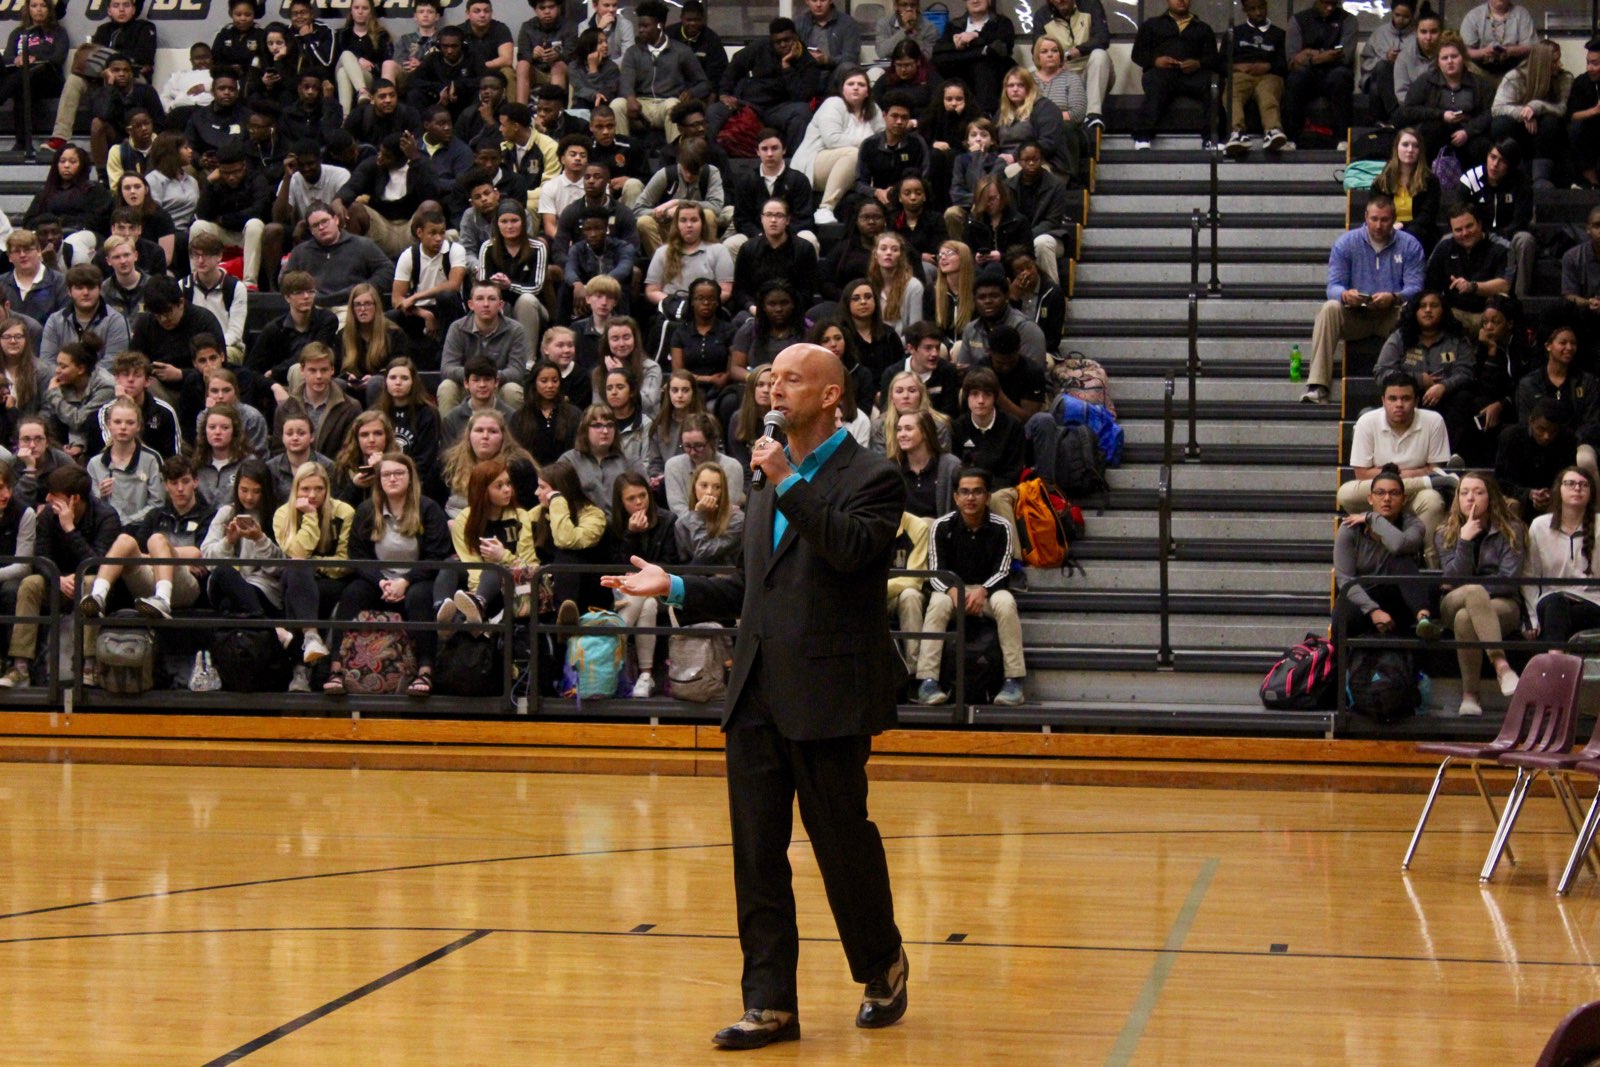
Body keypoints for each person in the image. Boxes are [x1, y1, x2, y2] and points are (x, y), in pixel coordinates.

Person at [605, 339, 910, 1049]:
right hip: (756, 692)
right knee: (756, 853)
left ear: (831, 395)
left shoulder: (872, 476)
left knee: (842, 846)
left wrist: (790, 482)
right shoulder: (770, 479)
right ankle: (770, 1001)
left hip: (830, 692)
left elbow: (851, 552)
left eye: (792, 381)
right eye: (770, 380)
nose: (775, 392)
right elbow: (753, 585)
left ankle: (882, 960)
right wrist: (676, 584)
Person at [326, 451, 451, 695]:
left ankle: (425, 672)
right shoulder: (366, 510)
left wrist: (405, 581)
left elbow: (436, 556)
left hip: (417, 579)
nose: (392, 479)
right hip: (378, 580)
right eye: (386, 474)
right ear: (379, 480)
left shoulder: (428, 508)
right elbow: (358, 556)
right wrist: (382, 581)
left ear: (410, 477)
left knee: (420, 598)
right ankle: (334, 668)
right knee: (351, 594)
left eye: (398, 473)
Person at [913, 465, 1025, 709]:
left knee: (1006, 602)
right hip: (953, 593)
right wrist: (955, 590)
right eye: (964, 492)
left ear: (987, 496)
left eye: (977, 492)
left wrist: (982, 590)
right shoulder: (941, 527)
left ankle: (1013, 680)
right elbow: (935, 572)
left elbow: (1003, 571)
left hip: (987, 593)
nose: (970, 498)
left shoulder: (1002, 527)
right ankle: (927, 681)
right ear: (955, 497)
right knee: (937, 602)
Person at [0, 465, 119, 689]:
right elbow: (41, 555)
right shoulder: (47, 515)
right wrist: (58, 578)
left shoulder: (107, 517)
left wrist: (69, 528)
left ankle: (89, 665)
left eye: (53, 495)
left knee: (93, 584)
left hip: (89, 583)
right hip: (57, 581)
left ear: (73, 499)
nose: (46, 498)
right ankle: (20, 666)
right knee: (30, 583)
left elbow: (99, 564)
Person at [1301, 194, 1425, 405]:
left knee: (1416, 311)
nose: (1378, 225)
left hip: (1392, 316)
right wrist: (1345, 295)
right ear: (1365, 217)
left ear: (1393, 219)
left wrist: (1394, 296)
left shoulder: (1410, 245)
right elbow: (1333, 286)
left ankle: (1413, 385)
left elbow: (1416, 288)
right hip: (1356, 314)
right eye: (1374, 219)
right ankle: (1318, 386)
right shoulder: (1346, 243)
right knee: (1329, 307)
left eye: (1384, 220)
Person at [78, 452, 214, 628]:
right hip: (149, 579)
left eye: (185, 481)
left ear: (195, 482)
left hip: (188, 585)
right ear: (165, 485)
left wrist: (160, 554)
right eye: (174, 483)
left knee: (157, 539)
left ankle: (162, 599)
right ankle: (98, 596)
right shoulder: (155, 515)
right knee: (125, 540)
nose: (180, 488)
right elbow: (138, 552)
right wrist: (164, 557)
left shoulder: (209, 515)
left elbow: (198, 552)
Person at [1337, 370, 1451, 564]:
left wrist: (1394, 475)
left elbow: (1435, 468)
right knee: (1345, 493)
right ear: (1383, 400)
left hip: (1415, 495)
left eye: (1405, 398)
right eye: (1393, 398)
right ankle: (1424, 483)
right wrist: (1418, 474)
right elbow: (1362, 473)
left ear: (1416, 401)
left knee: (1433, 500)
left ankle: (1431, 564)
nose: (1399, 404)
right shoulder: (1367, 422)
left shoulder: (1434, 421)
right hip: (1380, 492)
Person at [1435, 471, 1524, 715]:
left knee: (1467, 617)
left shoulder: (1512, 529)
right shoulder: (1445, 531)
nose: (1470, 498)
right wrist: (1464, 541)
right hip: (1452, 604)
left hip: (1503, 604)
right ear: (1457, 498)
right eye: (1464, 493)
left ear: (1491, 497)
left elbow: (1508, 582)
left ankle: (1470, 696)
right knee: (1470, 594)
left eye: (1478, 492)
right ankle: (1501, 666)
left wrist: (1473, 590)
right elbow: (1451, 580)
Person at [1333, 463, 1441, 658]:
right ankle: (1336, 677)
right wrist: (1373, 610)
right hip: (1363, 593)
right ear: (1370, 498)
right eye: (1380, 493)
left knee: (1401, 560)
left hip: (1399, 594)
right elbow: (1345, 579)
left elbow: (1398, 545)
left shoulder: (1413, 525)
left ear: (1404, 498)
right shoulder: (1350, 528)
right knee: (1342, 614)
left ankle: (1423, 619)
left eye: (1394, 493)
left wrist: (1372, 518)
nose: (1387, 499)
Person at [434, 457, 537, 630]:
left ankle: (478, 604)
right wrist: (476, 588)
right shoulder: (464, 520)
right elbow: (470, 563)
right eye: (499, 486)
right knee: (450, 564)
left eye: (508, 484)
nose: (507, 490)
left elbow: (529, 563)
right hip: (476, 576)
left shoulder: (520, 516)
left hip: (513, 579)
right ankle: (442, 614)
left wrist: (503, 556)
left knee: (494, 567)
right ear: (483, 491)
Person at [709, 18, 824, 156]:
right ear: (771, 40)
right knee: (714, 111)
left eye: (787, 40)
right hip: (749, 103)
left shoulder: (808, 63)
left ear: (795, 38)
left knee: (802, 113)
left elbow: (801, 97)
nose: (782, 45)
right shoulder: (761, 46)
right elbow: (736, 63)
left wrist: (786, 66)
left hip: (780, 108)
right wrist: (724, 93)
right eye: (777, 42)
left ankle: (794, 165)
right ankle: (710, 161)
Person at [607, 471, 677, 697]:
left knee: (645, 598)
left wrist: (643, 577)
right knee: (646, 605)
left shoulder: (667, 520)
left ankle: (610, 648)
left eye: (642, 496)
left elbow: (670, 562)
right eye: (631, 499)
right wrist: (631, 535)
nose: (639, 503)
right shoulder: (615, 526)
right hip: (628, 591)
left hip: (660, 588)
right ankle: (646, 676)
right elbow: (617, 566)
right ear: (621, 502)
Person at [1129, 0, 1220, 150]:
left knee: (1213, 84)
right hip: (1162, 73)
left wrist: (1198, 64)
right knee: (1155, 82)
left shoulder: (1203, 28)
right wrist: (1155, 61)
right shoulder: (1152, 25)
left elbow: (1213, 58)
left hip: (1193, 75)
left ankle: (1212, 137)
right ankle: (1143, 135)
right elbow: (1137, 54)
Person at [1523, 465, 1600, 643]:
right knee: (1556, 604)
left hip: (1593, 602)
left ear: (1591, 493)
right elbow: (1528, 577)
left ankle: (1554, 663)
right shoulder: (1539, 526)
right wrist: (1532, 618)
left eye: (1584, 485)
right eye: (1570, 483)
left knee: (1556, 618)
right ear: (1559, 490)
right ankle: (1557, 660)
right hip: (1550, 601)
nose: (1577, 488)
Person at [1394, 34, 1493, 166]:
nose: (1450, 61)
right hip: (1436, 132)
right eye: (1444, 58)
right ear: (1438, 61)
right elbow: (1408, 110)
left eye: (1454, 56)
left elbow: (1489, 112)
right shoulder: (1426, 80)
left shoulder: (1479, 83)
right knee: (1429, 131)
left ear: (1463, 58)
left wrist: (1467, 131)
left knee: (1481, 146)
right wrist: (1441, 115)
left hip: (1468, 132)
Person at [536, 455, 613, 622]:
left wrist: (557, 502)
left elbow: (566, 540)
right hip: (547, 583)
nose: (537, 493)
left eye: (542, 488)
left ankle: (564, 616)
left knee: (568, 556)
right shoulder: (535, 515)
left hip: (590, 588)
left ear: (559, 490)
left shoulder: (594, 515)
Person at [618, 0, 709, 141]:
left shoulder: (681, 51)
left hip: (667, 103)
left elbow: (704, 83)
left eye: (645, 26)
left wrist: (691, 92)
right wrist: (630, 98)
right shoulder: (633, 52)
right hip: (641, 105)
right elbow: (626, 80)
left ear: (660, 26)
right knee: (617, 105)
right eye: (640, 26)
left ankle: (677, 156)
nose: (640, 30)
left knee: (672, 105)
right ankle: (622, 152)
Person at [283, 201, 397, 310]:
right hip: (313, 307)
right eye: (315, 225)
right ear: (311, 230)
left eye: (325, 221)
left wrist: (364, 290)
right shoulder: (301, 251)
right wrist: (305, 294)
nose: (321, 227)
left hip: (350, 306)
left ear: (336, 220)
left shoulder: (362, 245)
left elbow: (388, 270)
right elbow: (286, 280)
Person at [1460, 139, 1535, 301]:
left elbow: (1521, 221)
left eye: (1502, 161)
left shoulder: (1521, 183)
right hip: (1476, 234)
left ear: (1511, 165)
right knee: (1450, 238)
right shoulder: (1471, 178)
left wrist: (1495, 237)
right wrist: (1481, 235)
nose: (1494, 164)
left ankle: (1519, 299)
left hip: (1509, 235)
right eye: (1492, 157)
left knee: (1525, 239)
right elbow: (1460, 215)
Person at [1489, 40, 1571, 188]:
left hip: (1547, 133)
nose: (1558, 65)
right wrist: (1525, 113)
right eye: (1553, 62)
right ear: (1542, 63)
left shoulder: (1564, 78)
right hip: (1520, 129)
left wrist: (1536, 106)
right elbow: (1497, 108)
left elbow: (1562, 108)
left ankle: (1541, 177)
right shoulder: (1515, 77)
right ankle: (1515, 173)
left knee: (1550, 122)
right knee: (1500, 124)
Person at [438, 280, 530, 411]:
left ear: (500, 305)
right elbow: (447, 368)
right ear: (471, 304)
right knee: (446, 387)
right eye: (480, 299)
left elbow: (517, 372)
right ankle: (450, 431)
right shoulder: (457, 328)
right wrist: (475, 378)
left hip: (497, 387)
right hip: (467, 387)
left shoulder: (516, 330)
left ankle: (512, 431)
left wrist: (489, 378)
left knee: (513, 390)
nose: (486, 304)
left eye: (492, 299)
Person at [1424, 203, 1513, 332]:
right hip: (1454, 312)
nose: (1465, 233)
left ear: (1480, 224)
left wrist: (1472, 287)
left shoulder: (1501, 247)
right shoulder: (1444, 246)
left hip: (1489, 314)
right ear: (1452, 231)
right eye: (1458, 230)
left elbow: (1505, 285)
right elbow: (1430, 285)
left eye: (1469, 226)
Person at [1281, 0, 1354, 151]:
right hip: (1308, 73)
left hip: (1334, 71)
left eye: (1334, 4)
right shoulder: (1298, 20)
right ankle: (1291, 138)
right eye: (1326, 3)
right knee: (1295, 78)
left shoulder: (1348, 20)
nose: (1330, 8)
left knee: (1341, 76)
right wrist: (1325, 55)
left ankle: (1343, 138)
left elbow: (1344, 56)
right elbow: (1292, 60)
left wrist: (1309, 54)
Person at [0, 0, 68, 153]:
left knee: (28, 75)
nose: (39, 10)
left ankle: (1, 93)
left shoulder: (58, 32)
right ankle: (23, 143)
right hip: (25, 80)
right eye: (34, 6)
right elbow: (7, 58)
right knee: (21, 87)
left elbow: (57, 58)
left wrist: (34, 57)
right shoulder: (19, 33)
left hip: (49, 78)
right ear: (28, 9)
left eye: (43, 6)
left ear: (50, 9)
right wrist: (17, 60)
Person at [1222, 0, 1288, 157]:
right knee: (1232, 93)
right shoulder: (1233, 33)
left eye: (1261, 8)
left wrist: (1268, 66)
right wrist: (1236, 67)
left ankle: (1272, 131)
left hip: (1268, 75)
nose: (1258, 12)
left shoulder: (1279, 34)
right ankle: (1237, 133)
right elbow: (1220, 62)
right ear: (1245, 10)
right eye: (1253, 9)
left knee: (1268, 96)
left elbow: (1285, 64)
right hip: (1241, 74)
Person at [86, 396, 165, 525]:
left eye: (130, 423)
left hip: (141, 527)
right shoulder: (95, 463)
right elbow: (90, 506)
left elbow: (157, 502)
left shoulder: (151, 459)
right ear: (108, 424)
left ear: (138, 426)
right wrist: (100, 495)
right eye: (117, 422)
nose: (123, 427)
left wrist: (128, 522)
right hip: (106, 528)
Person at [1036, 0, 1112, 131]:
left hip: (1090, 71)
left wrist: (1078, 51)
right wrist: (1056, 61)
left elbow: (1102, 38)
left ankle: (1093, 116)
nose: (1060, 1)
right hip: (1063, 72)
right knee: (1031, 72)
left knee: (1100, 55)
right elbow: (1036, 49)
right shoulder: (1042, 15)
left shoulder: (1091, 5)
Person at [932, 0, 1014, 115]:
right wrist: (982, 50)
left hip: (992, 81)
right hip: (961, 78)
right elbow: (938, 53)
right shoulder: (954, 25)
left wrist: (975, 36)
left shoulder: (1002, 23)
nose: (975, 0)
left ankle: (985, 116)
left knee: (982, 65)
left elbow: (1000, 49)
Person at [662, 413, 745, 521]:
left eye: (698, 446)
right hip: (686, 530)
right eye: (687, 446)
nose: (692, 452)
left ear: (712, 442)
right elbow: (677, 510)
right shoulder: (673, 466)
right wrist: (698, 515)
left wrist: (698, 514)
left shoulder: (732, 467)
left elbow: (727, 510)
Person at [1372, 128, 1441, 255]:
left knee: (1413, 236)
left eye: (1415, 146)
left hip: (1420, 234)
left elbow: (1427, 217)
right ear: (1396, 148)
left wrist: (1402, 227)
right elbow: (1376, 212)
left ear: (1420, 151)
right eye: (1405, 145)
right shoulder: (1381, 182)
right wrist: (1390, 228)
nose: (1410, 150)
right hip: (1387, 230)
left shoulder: (1430, 181)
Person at [510, 358, 583, 466]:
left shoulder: (573, 414)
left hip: (565, 474)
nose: (550, 386)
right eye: (544, 381)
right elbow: (516, 453)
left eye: (554, 381)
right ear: (534, 383)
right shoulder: (520, 417)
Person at [1361, 0, 1414, 124]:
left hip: (1407, 80)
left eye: (1406, 16)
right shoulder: (1380, 33)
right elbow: (1366, 62)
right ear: (1392, 13)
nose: (1401, 20)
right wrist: (1386, 57)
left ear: (1412, 15)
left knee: (1376, 89)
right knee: (1381, 69)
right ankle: (1395, 115)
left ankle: (1382, 123)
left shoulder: (1417, 35)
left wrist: (1402, 61)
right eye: (1397, 15)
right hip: (1379, 76)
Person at [1460, 0, 1535, 82]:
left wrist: (1510, 51)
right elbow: (1464, 51)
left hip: (1514, 70)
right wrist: (1483, 52)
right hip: (1480, 70)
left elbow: (1531, 47)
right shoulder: (1473, 16)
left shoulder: (1521, 14)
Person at [1569, 37, 1600, 191]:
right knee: (1577, 130)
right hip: (1589, 129)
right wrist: (1595, 110)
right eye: (1588, 62)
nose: (1590, 68)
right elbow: (1572, 115)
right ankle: (1593, 184)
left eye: (1595, 64)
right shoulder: (1582, 82)